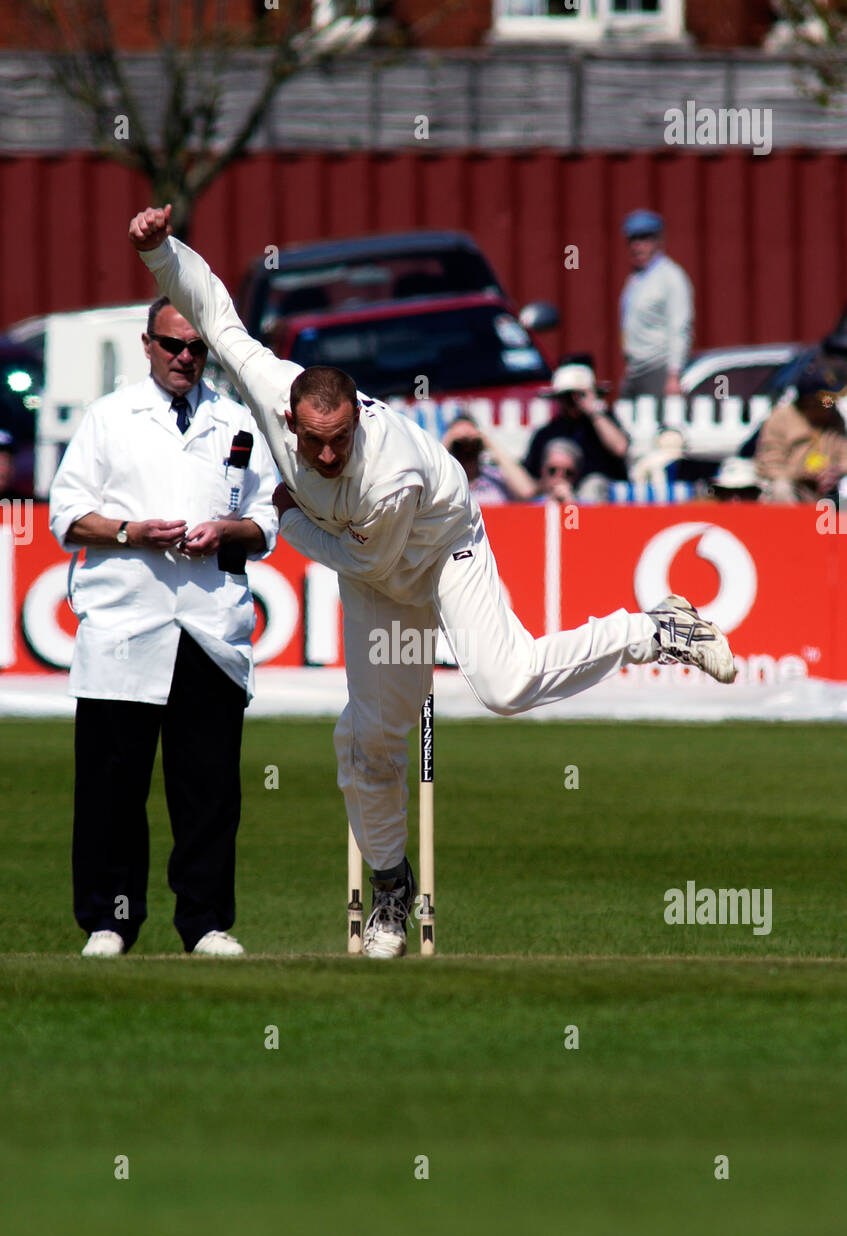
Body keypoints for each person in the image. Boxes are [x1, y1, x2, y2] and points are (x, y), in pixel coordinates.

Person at [129, 204, 737, 962]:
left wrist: (285, 522)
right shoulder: (271, 383)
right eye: (313, 445)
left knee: (505, 685)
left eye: (338, 443)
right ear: (290, 416)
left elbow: (370, 564)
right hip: (368, 561)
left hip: (439, 548)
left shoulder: (390, 471)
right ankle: (390, 890)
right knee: (368, 744)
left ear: (356, 423)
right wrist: (160, 253)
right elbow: (215, 311)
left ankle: (658, 629)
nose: (324, 458)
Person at [48, 295, 279, 959]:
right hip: (124, 622)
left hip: (208, 625)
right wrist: (132, 532)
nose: (184, 358)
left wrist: (226, 530)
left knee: (207, 788)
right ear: (146, 345)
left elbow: (265, 520)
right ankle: (109, 922)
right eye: (172, 345)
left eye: (195, 347)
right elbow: (68, 513)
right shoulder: (110, 418)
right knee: (112, 788)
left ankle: (204, 922)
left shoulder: (236, 421)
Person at [619, 210, 693, 399]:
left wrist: (673, 376)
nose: (637, 246)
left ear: (658, 242)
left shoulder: (671, 277)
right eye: (632, 240)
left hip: (658, 368)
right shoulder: (636, 278)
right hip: (634, 369)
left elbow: (680, 327)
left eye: (644, 239)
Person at [754, 365, 847, 503]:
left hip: (828, 489)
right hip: (794, 488)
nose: (832, 403)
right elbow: (769, 465)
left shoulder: (834, 417)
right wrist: (803, 474)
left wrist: (836, 472)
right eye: (827, 399)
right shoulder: (781, 418)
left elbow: (844, 454)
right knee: (781, 488)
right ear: (809, 401)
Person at [523, 363, 629, 484]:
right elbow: (530, 482)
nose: (574, 400)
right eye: (567, 395)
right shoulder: (546, 434)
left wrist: (594, 412)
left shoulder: (604, 423)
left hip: (597, 498)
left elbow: (620, 448)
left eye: (580, 395)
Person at [441, 413, 536, 504]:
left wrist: (489, 443)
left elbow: (527, 492)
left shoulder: (496, 477)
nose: (466, 446)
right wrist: (448, 441)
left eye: (472, 442)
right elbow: (428, 480)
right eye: (459, 443)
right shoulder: (443, 480)